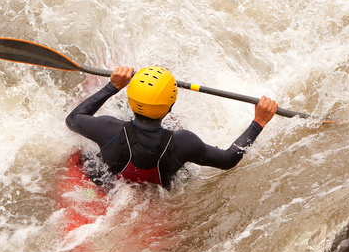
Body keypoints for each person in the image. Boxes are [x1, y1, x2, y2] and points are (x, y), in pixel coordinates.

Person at [66, 65, 278, 190]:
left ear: (131, 99)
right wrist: (258, 122)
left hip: (108, 185)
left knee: (85, 158)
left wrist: (112, 86)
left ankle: (88, 193)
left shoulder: (107, 127)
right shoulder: (184, 142)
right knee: (184, 170)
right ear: (171, 106)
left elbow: (74, 118)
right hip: (156, 189)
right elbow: (228, 159)